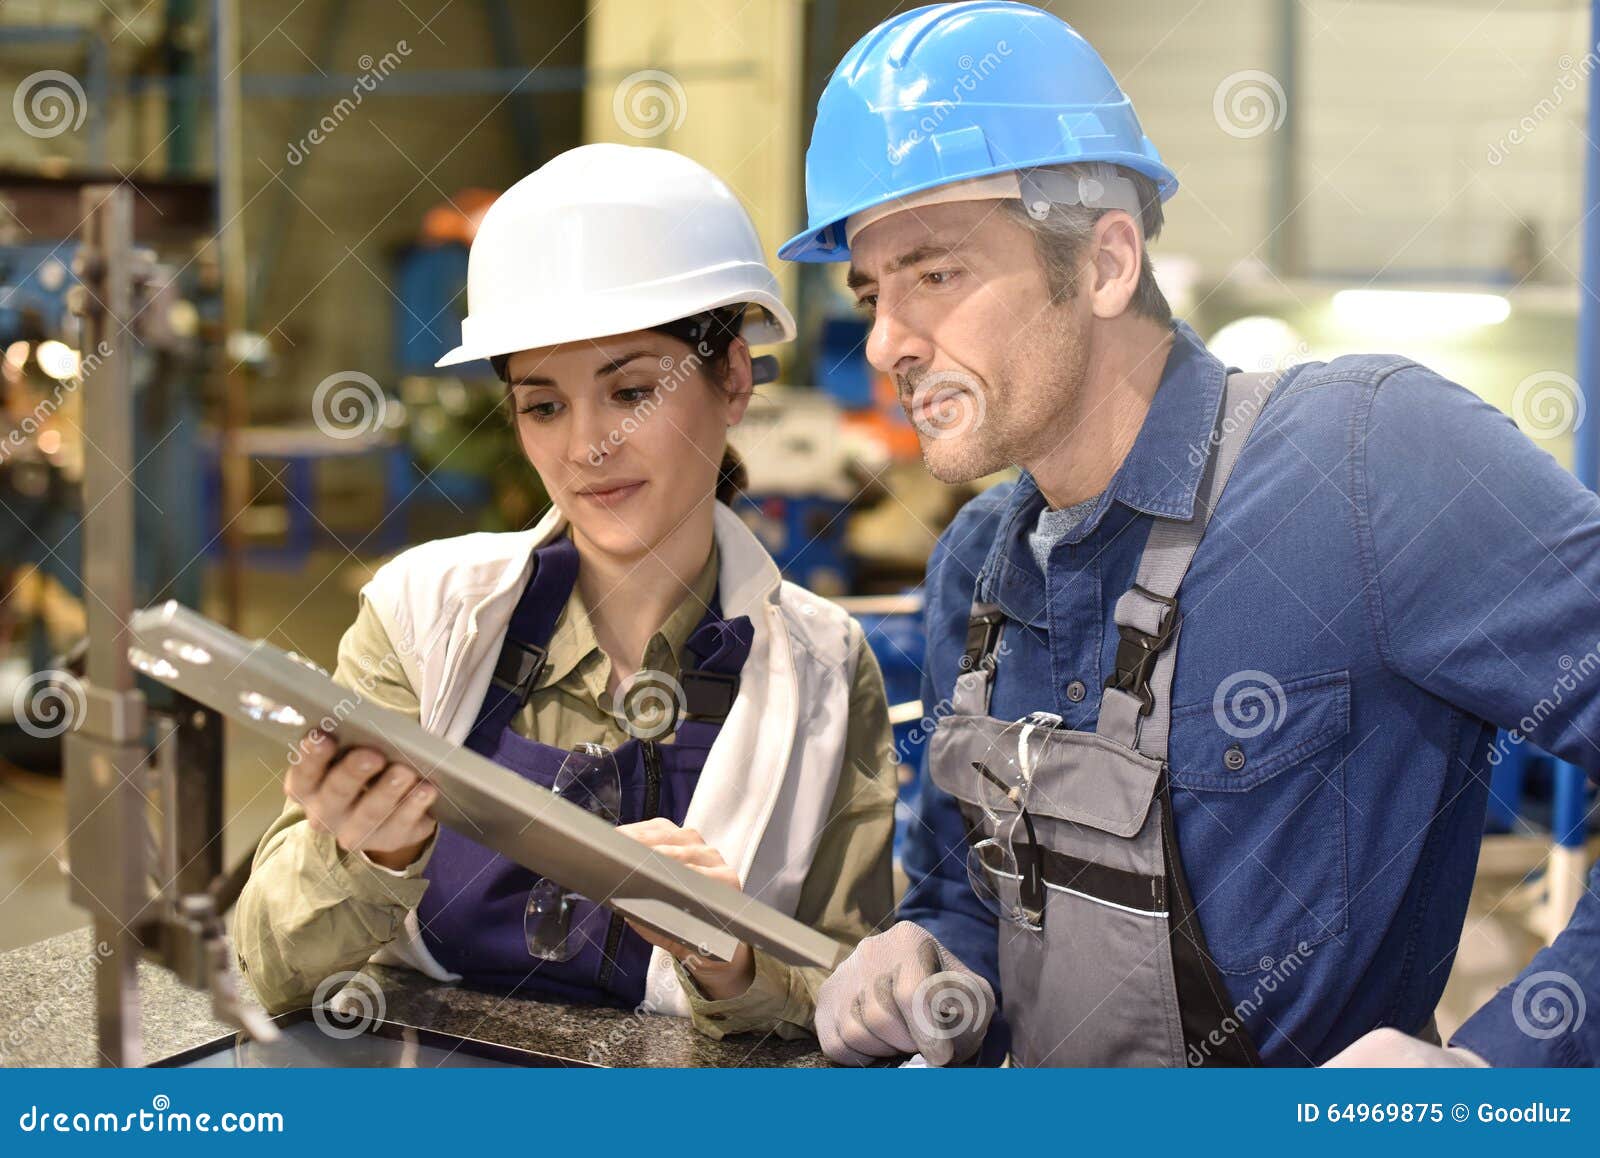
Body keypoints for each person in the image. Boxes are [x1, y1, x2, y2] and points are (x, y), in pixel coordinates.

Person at [795, 1, 1600, 1067]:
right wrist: (921, 953)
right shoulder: (976, 577)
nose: (888, 340)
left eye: (935, 275)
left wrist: (1493, 1077)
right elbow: (971, 902)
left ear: (1104, 264)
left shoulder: (1363, 463)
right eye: (869, 289)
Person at [235, 144, 897, 1041]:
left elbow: (847, 996)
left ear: (732, 378)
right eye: (544, 405)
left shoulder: (822, 666)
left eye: (630, 391)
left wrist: (728, 957)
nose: (586, 447)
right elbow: (264, 967)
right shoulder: (422, 615)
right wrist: (371, 855)